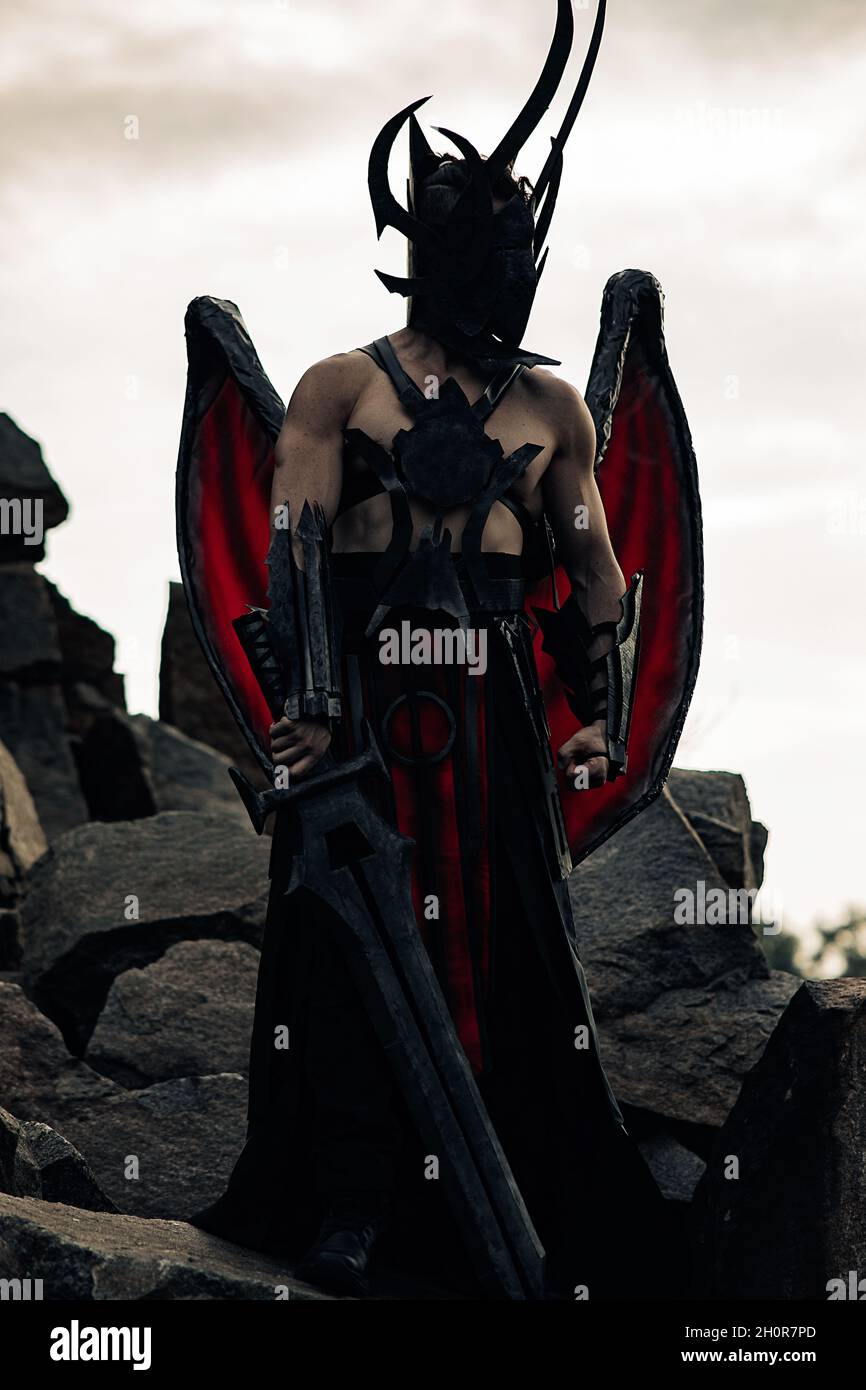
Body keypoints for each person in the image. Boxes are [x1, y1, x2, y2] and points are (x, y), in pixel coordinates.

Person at [179, 0, 703, 1300]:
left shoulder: (550, 407)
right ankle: (352, 1199)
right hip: (353, 717)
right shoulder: (336, 388)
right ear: (429, 252)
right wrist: (304, 703)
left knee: (520, 952)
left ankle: (529, 1191)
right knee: (340, 956)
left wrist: (593, 711)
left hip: (495, 719)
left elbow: (593, 577)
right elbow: (287, 543)